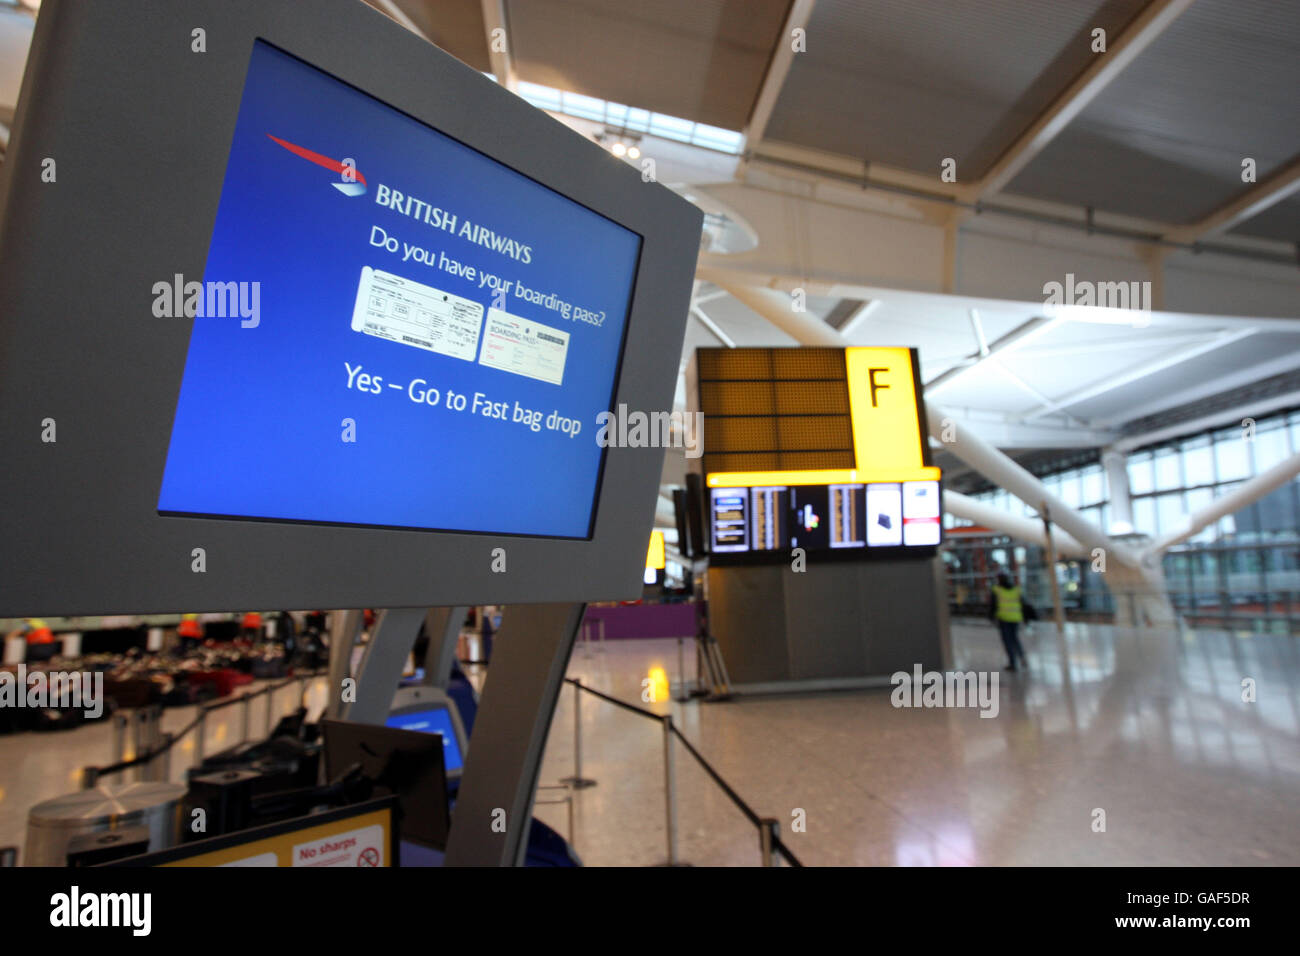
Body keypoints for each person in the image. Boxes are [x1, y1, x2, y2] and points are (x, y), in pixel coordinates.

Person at [990, 573, 1028, 671]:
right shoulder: (1016, 590)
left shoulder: (997, 590)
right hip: (1016, 617)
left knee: (1007, 641)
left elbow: (993, 605)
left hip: (1004, 618)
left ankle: (1012, 663)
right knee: (1015, 638)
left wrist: (991, 617)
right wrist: (1025, 618)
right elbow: (1023, 604)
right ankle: (1022, 656)